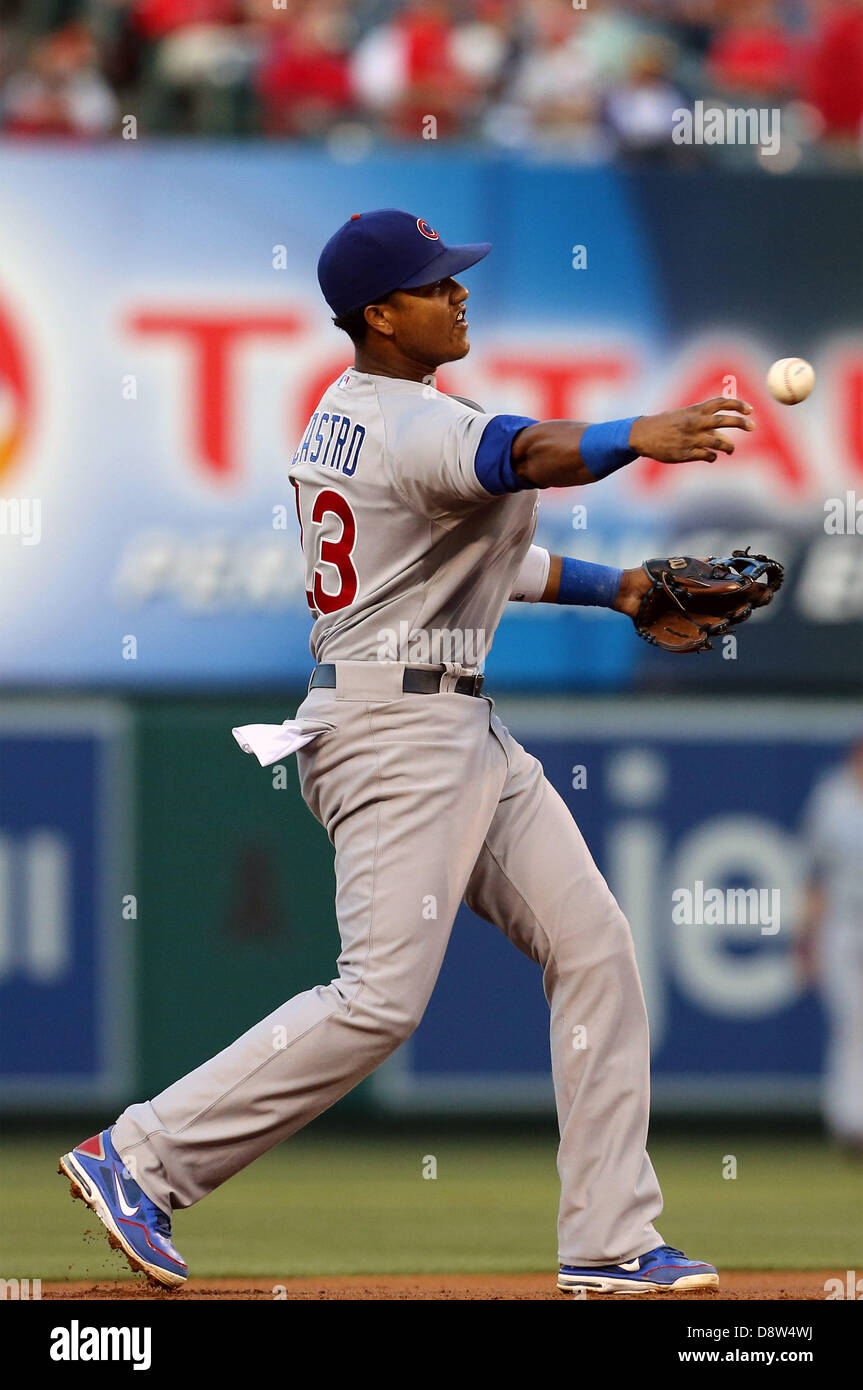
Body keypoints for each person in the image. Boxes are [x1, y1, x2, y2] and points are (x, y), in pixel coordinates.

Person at [60, 208, 755, 1295]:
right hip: (391, 733)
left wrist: (619, 590)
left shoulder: (358, 417)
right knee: (379, 998)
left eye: (457, 278)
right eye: (435, 285)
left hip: (449, 723)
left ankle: (609, 1240)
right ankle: (136, 1156)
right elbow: (520, 452)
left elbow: (487, 562)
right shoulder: (406, 424)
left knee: (597, 949)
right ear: (379, 315)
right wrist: (634, 434)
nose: (458, 294)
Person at [795, 737, 863, 1156]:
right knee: (851, 1022)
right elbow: (814, 877)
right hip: (845, 921)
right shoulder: (833, 798)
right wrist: (805, 939)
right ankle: (850, 1123)